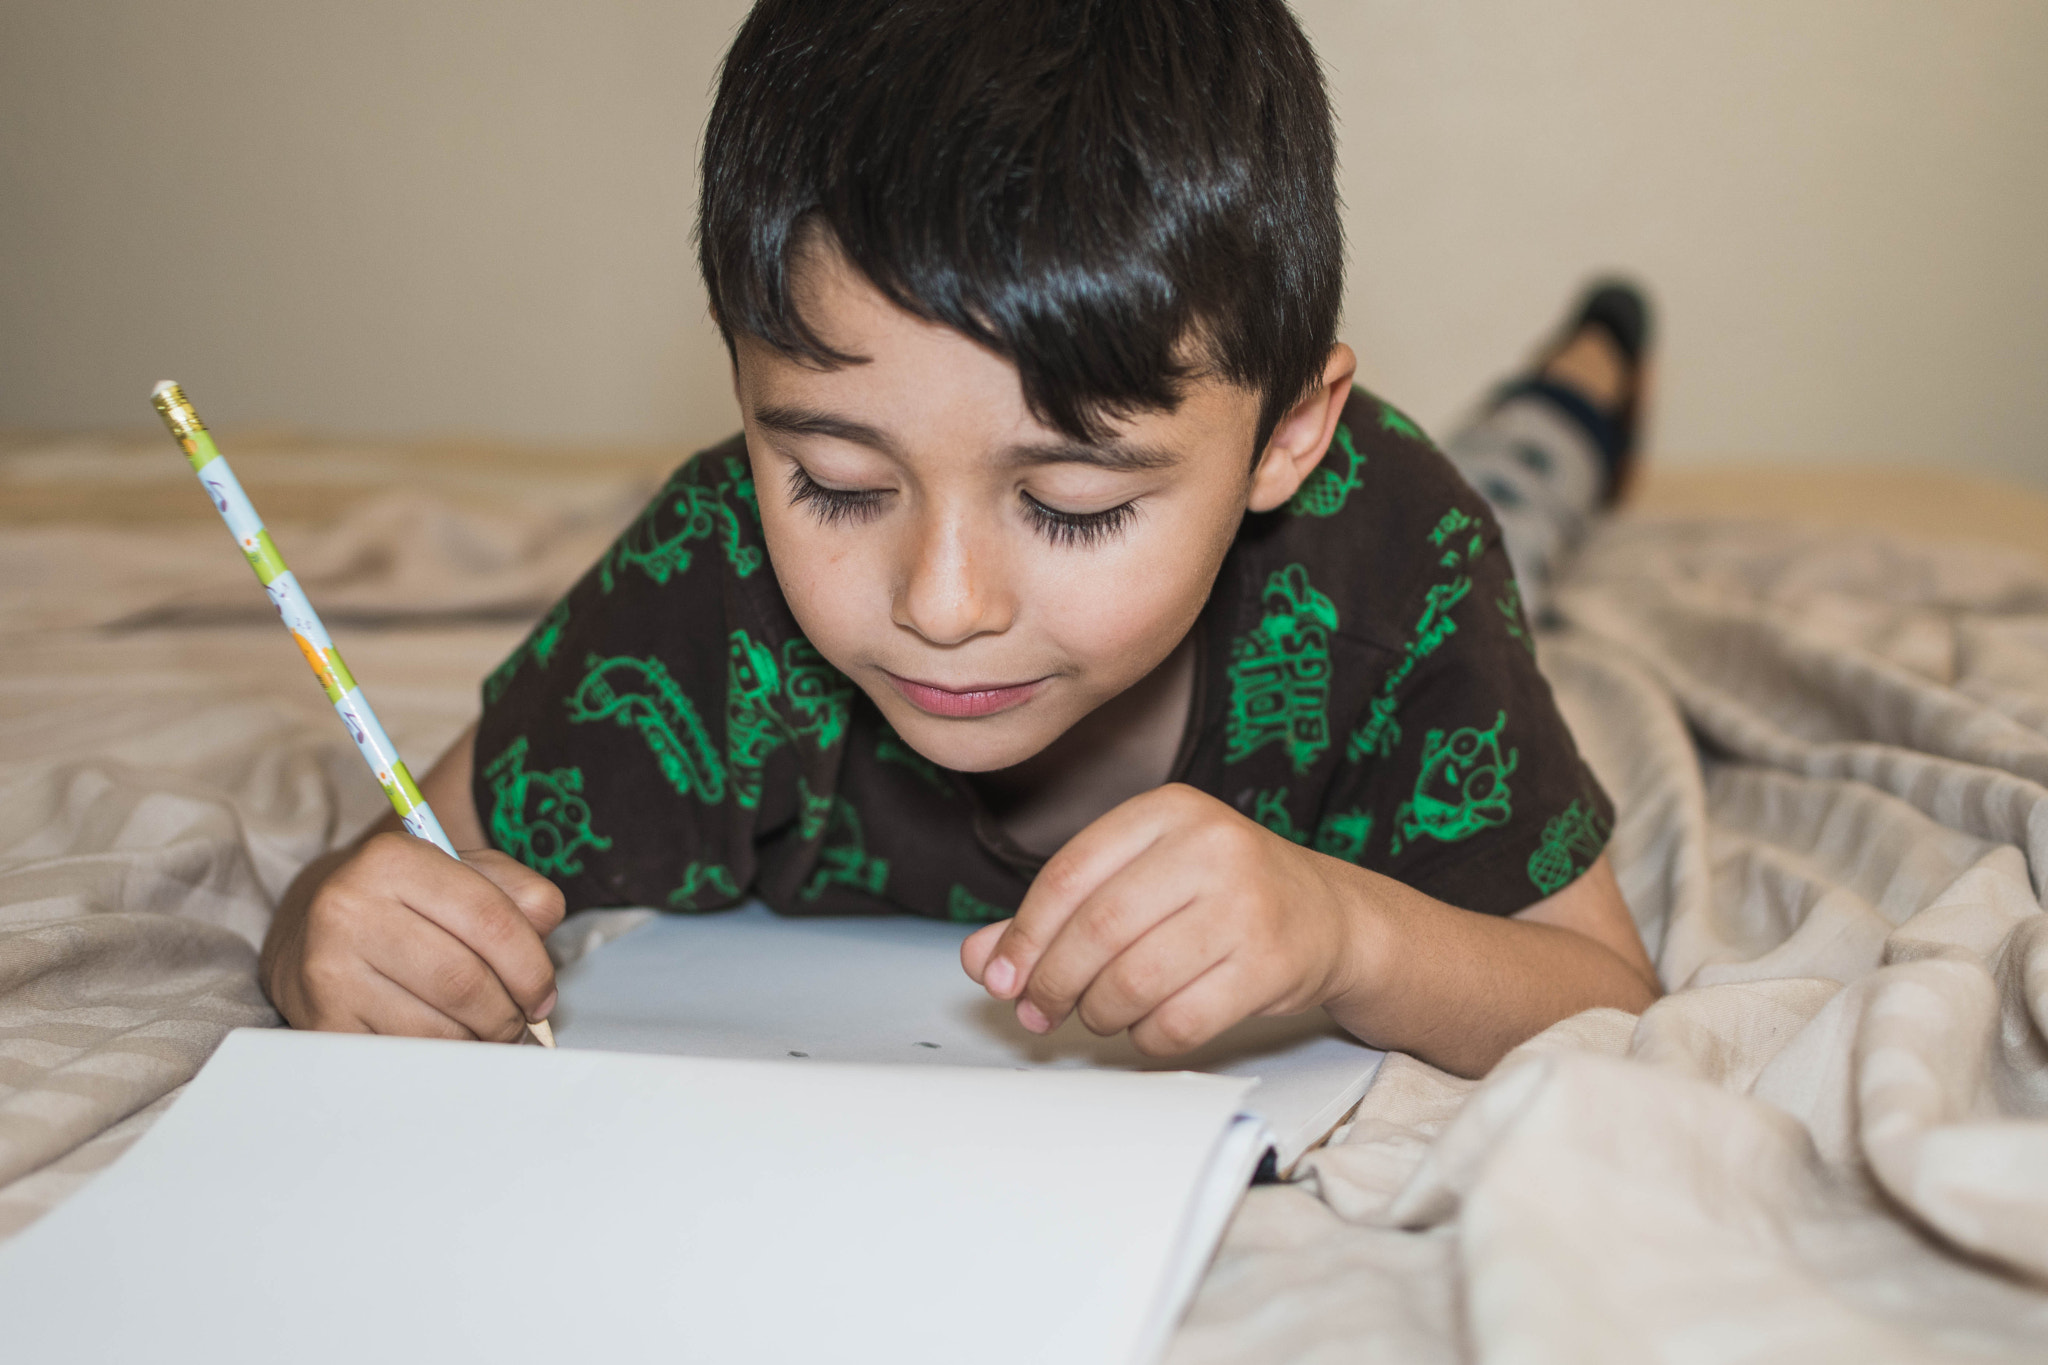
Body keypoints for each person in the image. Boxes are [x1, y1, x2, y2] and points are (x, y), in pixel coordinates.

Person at [264, 0, 1659, 1080]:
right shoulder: (707, 589)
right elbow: (385, 876)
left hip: (1418, 525)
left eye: (1073, 505)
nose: (940, 602)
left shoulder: (1394, 562)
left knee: (1522, 493)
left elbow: (1601, 990)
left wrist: (1352, 932)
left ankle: (1581, 382)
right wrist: (326, 938)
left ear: (1287, 436)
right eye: (837, 481)